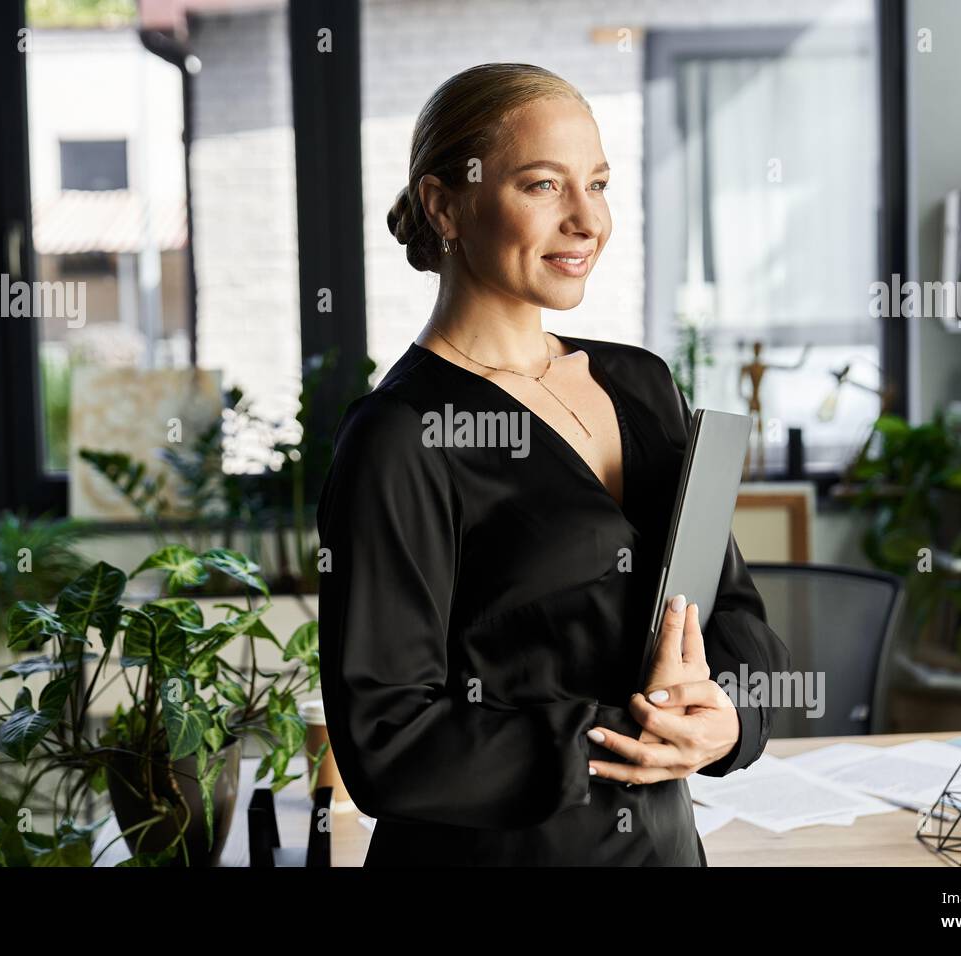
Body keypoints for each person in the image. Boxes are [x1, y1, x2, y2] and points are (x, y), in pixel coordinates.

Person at [316, 62, 790, 866]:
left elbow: (732, 610)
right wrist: (614, 735)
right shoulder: (398, 439)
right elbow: (388, 742)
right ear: (446, 204)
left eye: (597, 184)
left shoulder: (641, 382)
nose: (587, 220)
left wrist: (729, 715)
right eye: (542, 185)